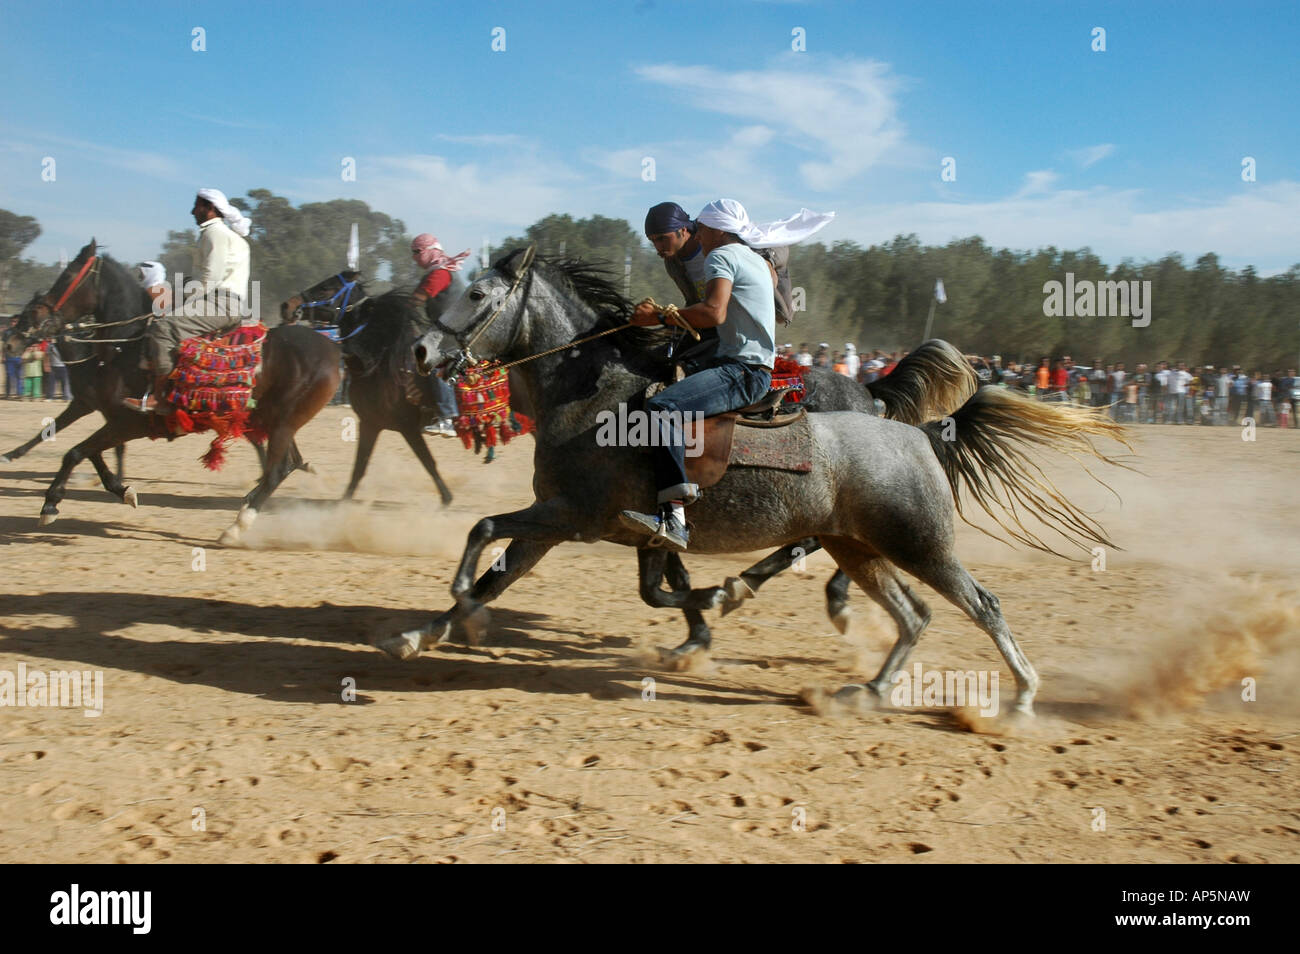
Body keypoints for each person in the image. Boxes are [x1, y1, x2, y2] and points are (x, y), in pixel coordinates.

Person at [619, 199, 830, 551]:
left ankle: (673, 518)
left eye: (700, 227)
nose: (696, 232)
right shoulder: (754, 261)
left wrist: (659, 318)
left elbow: (713, 313)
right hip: (750, 365)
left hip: (741, 370)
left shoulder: (720, 257)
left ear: (716, 230)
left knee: (661, 409)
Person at [127, 189, 251, 412]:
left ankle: (160, 398)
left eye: (197, 206)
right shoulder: (226, 235)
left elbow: (209, 278)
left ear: (210, 208)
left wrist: (180, 299)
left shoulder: (216, 234)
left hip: (219, 303)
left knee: (162, 328)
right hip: (224, 302)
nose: (192, 211)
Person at [408, 234, 470, 438]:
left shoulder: (440, 273)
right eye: (413, 252)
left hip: (457, 332)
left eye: (418, 251)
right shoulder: (438, 270)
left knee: (432, 362)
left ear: (430, 250)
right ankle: (429, 407)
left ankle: (447, 418)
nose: (414, 257)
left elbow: (416, 300)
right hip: (446, 330)